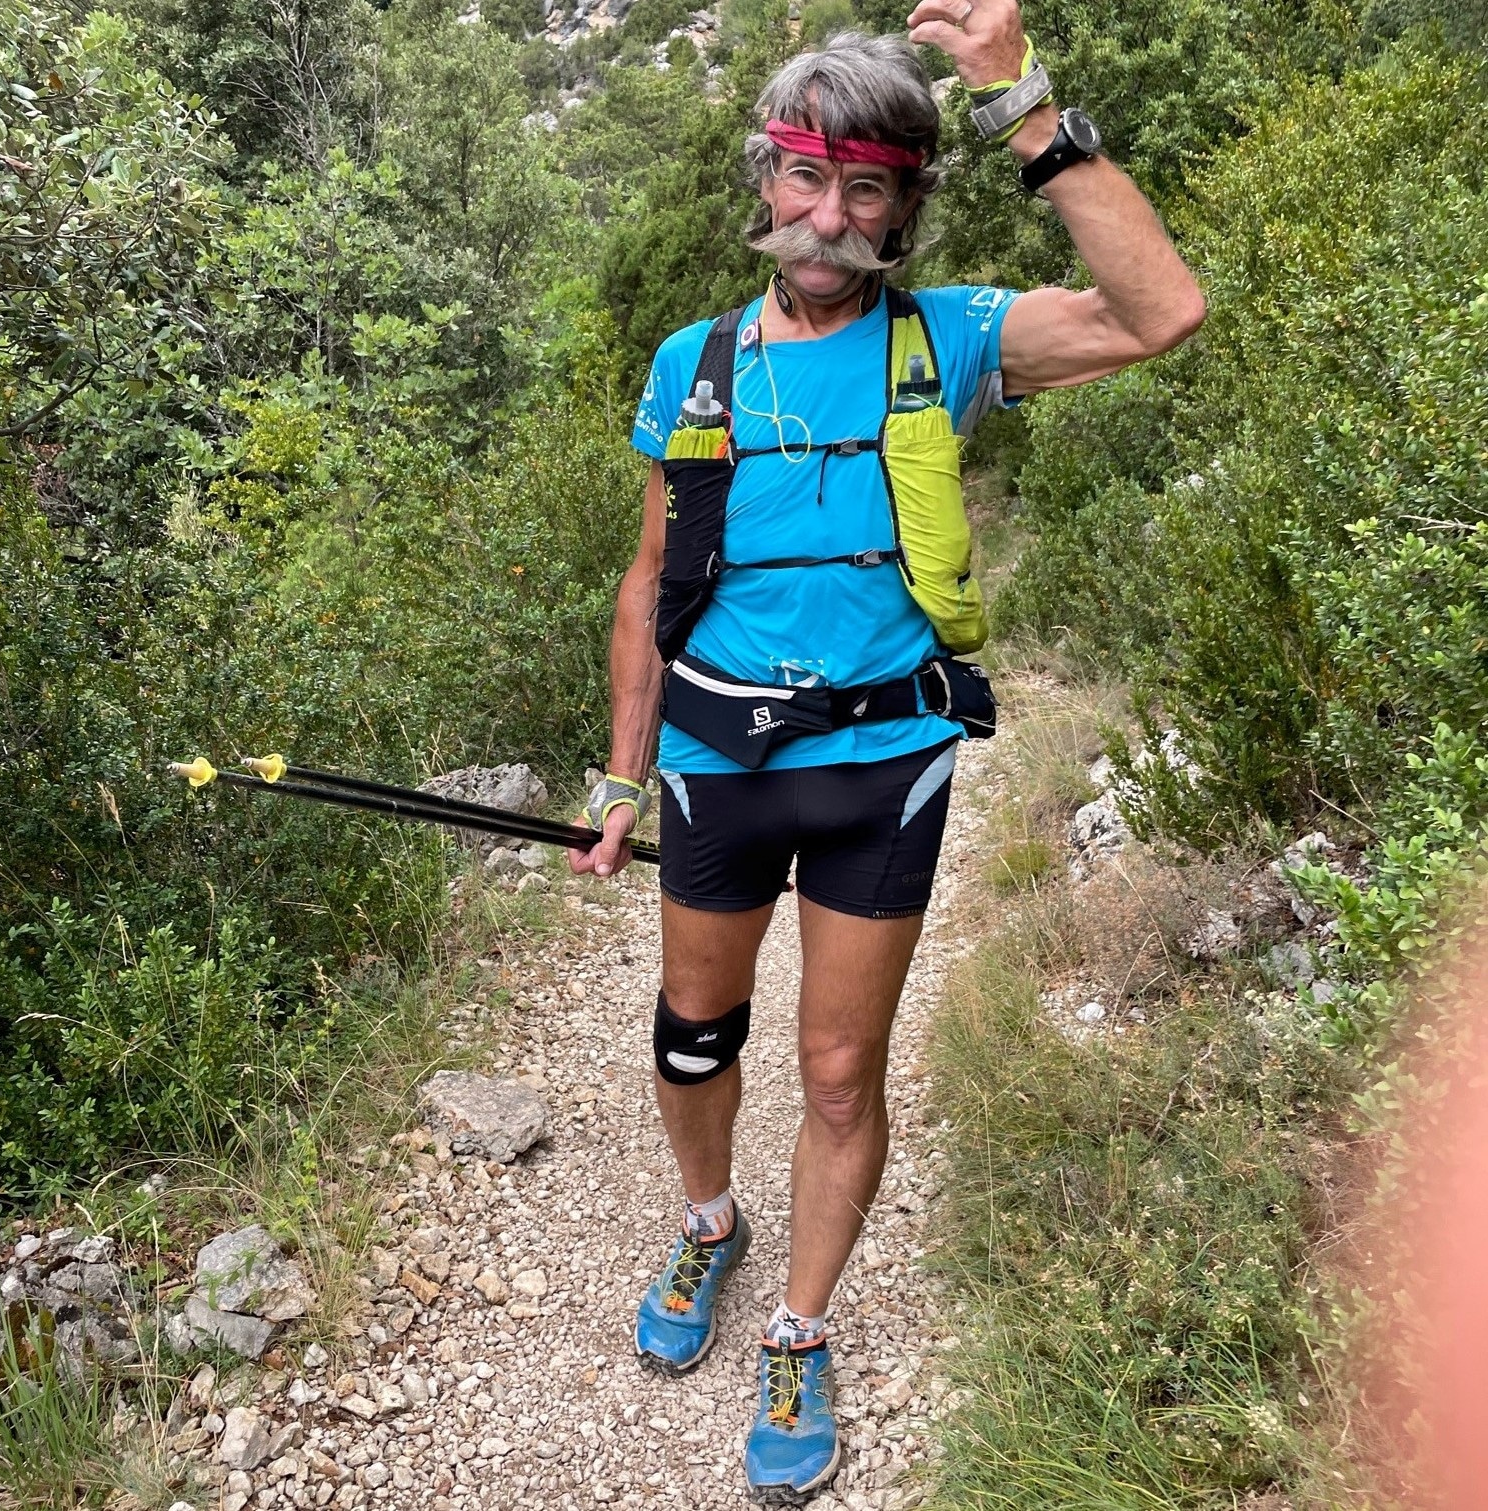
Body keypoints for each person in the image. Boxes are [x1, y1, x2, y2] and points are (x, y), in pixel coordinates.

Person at [571, 6, 1205, 1500]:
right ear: (767, 177)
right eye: (807, 178)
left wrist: (1019, 98)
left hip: (885, 762)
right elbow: (647, 582)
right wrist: (617, 770)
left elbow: (1161, 310)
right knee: (690, 1033)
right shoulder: (699, 362)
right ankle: (710, 1223)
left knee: (842, 1074)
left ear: (907, 204)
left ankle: (802, 1326)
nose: (829, 217)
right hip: (717, 760)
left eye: (867, 190)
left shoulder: (957, 340)